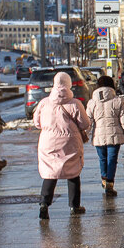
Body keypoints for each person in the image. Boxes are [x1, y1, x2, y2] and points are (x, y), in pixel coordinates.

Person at [33, 71, 91, 219]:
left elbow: (37, 123)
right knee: (73, 173)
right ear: (69, 84)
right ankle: (74, 206)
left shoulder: (44, 103)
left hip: (48, 142)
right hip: (70, 142)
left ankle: (44, 204)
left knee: (50, 173)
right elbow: (85, 123)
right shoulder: (75, 104)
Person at [85, 75, 124, 196]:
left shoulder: (92, 103)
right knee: (112, 160)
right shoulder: (118, 101)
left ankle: (104, 179)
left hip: (98, 136)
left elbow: (88, 121)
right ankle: (110, 184)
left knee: (102, 159)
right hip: (114, 136)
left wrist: (84, 134)